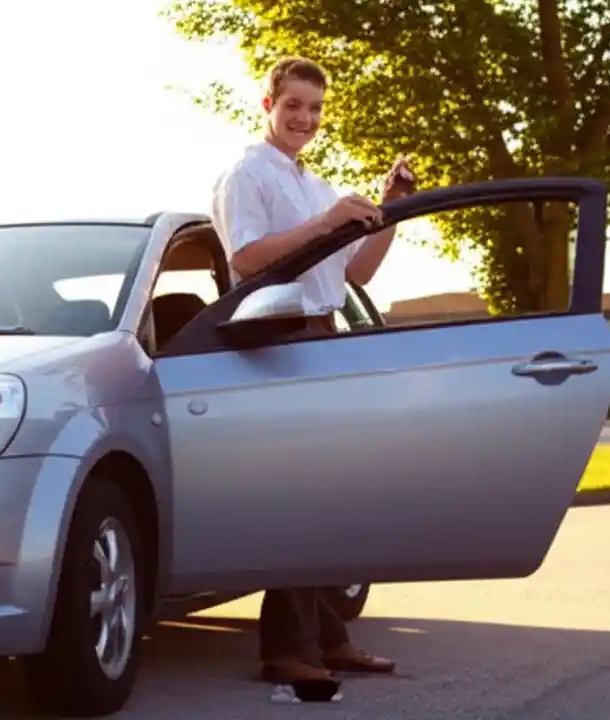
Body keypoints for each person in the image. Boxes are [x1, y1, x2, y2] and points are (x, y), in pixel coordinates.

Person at [210, 56, 415, 689]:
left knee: (331, 499)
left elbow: (358, 273)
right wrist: (324, 224)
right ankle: (286, 650)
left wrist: (392, 208)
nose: (305, 118)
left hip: (326, 339)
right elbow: (246, 258)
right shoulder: (247, 176)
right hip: (277, 338)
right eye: (293, 105)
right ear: (266, 105)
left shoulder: (315, 183)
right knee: (296, 501)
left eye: (315, 108)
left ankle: (329, 638)